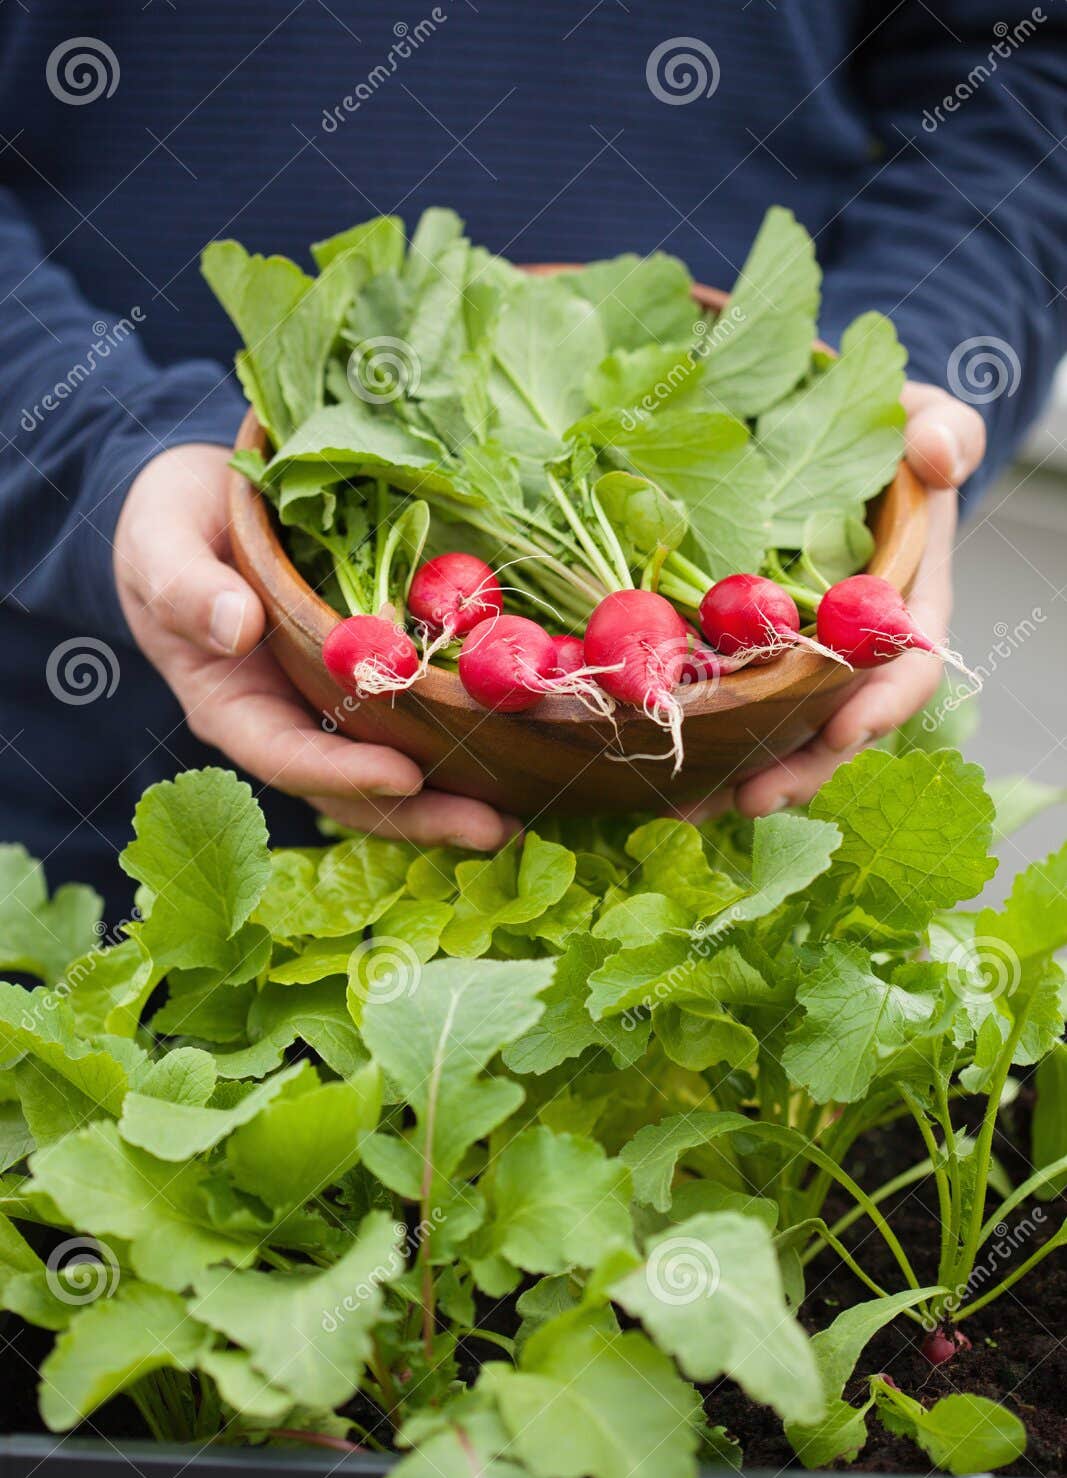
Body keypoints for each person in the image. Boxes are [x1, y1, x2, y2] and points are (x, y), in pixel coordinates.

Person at [2, 2, 1065, 908]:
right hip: (86, 771)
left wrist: (903, 382)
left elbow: (1023, 63)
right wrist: (94, 446)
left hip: (732, 780)